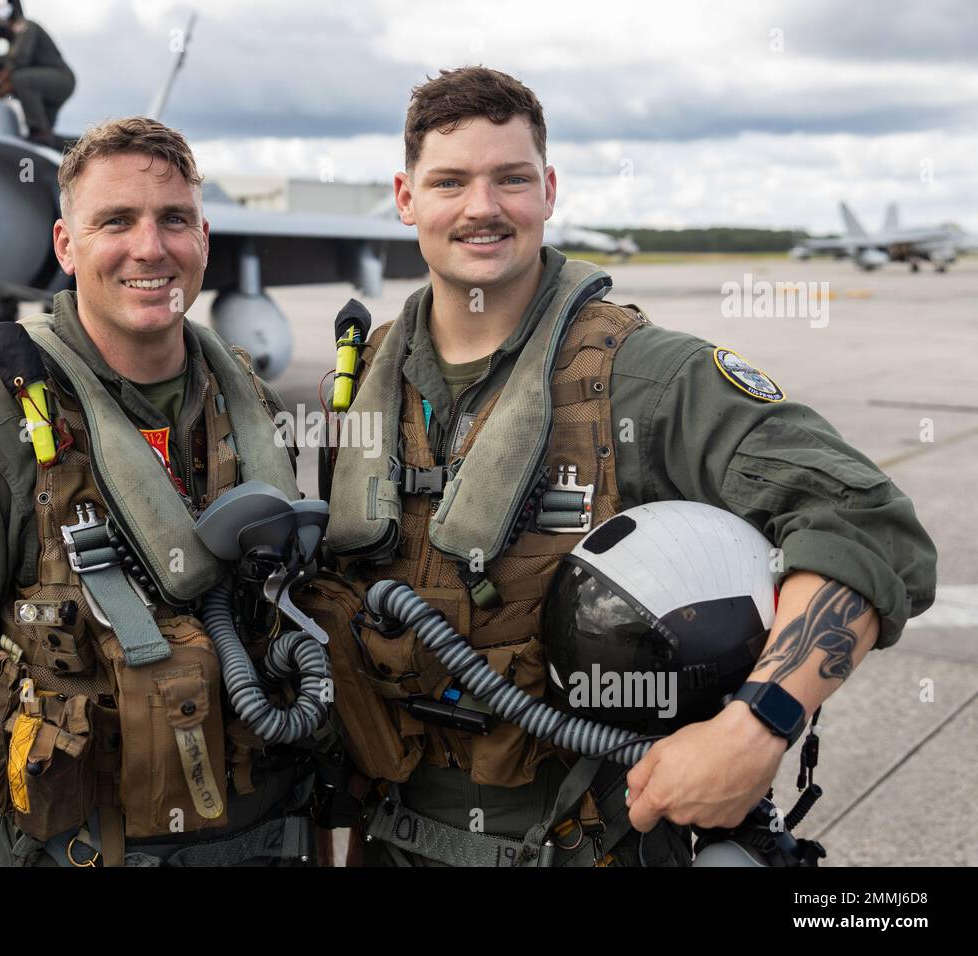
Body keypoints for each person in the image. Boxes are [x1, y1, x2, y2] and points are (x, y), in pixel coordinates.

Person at [307, 66, 937, 867]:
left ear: (549, 189)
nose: (482, 207)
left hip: (592, 842)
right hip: (393, 841)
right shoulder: (360, 395)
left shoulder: (649, 379)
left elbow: (867, 522)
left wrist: (758, 724)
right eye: (449, 181)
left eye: (511, 179)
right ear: (404, 197)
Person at [0, 117, 327, 867]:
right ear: (66, 244)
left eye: (174, 221)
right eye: (115, 222)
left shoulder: (251, 408)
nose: (149, 248)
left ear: (203, 239)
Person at [0, 1, 75, 147]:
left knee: (21, 80)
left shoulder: (25, 27)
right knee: (47, 139)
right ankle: (81, 146)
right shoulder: (13, 40)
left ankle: (40, 133)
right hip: (44, 85)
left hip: (60, 79)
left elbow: (18, 60)